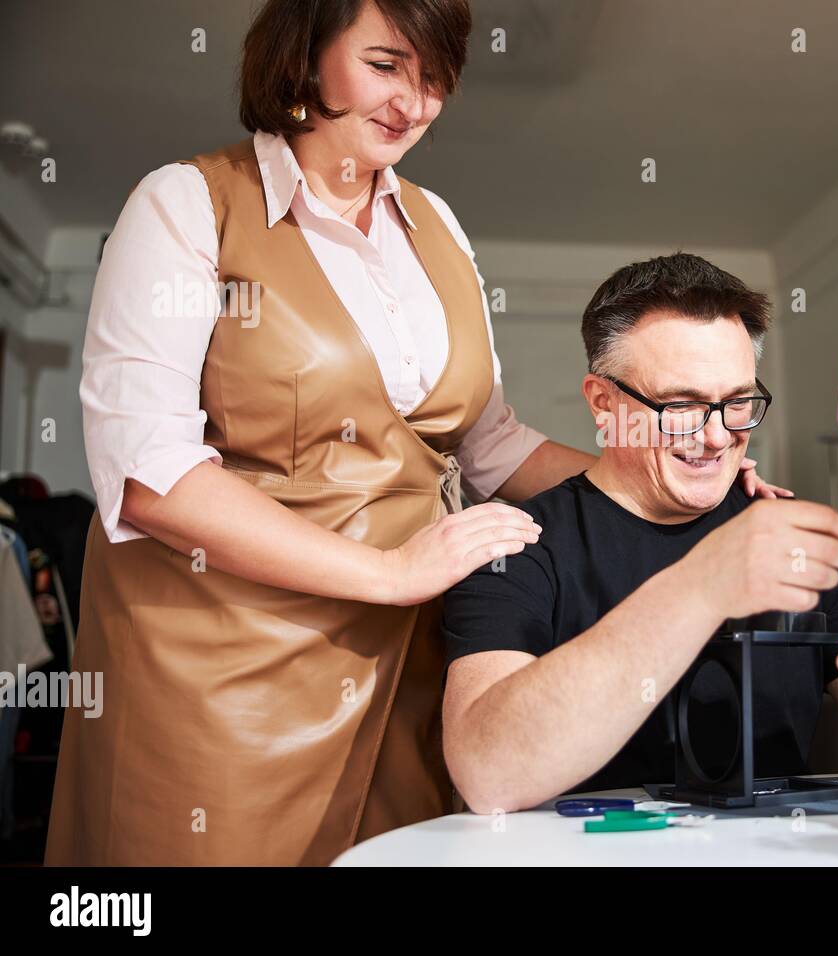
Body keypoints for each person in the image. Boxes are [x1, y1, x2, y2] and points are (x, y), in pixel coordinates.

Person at [46, 0, 793, 866]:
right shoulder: (186, 205)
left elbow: (492, 447)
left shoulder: (437, 228)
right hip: (226, 678)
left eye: (435, 76)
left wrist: (676, 468)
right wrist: (389, 571)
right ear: (306, 51)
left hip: (411, 665)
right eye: (386, 65)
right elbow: (149, 471)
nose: (416, 101)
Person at [441, 253, 838, 812]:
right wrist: (702, 583)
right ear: (603, 404)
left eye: (738, 402)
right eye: (682, 406)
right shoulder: (517, 549)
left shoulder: (799, 543)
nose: (718, 437)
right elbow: (488, 776)